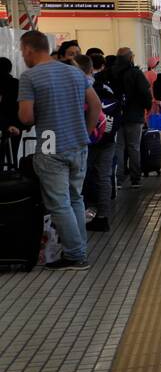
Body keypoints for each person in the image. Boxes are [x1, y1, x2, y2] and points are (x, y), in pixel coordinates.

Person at [16, 29, 101, 270]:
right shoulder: (74, 72)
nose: (23, 56)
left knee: (59, 203)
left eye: (23, 51)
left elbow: (26, 117)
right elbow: (95, 105)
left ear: (29, 50)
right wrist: (85, 131)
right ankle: (79, 249)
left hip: (52, 145)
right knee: (75, 198)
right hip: (78, 143)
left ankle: (75, 255)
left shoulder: (30, 77)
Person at [84, 51, 119, 231]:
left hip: (87, 140)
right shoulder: (107, 86)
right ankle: (103, 216)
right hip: (108, 138)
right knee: (104, 177)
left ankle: (85, 215)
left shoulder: (84, 88)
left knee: (83, 176)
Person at [112, 48, 152, 188]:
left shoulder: (112, 73)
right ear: (130, 58)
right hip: (134, 116)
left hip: (117, 115)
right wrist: (147, 107)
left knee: (119, 147)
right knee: (134, 147)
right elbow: (145, 92)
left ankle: (118, 180)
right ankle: (136, 179)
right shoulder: (136, 73)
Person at [0, 57, 20, 169]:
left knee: (1, 154)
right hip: (15, 122)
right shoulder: (16, 83)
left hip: (2, 122)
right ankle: (14, 171)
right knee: (14, 151)